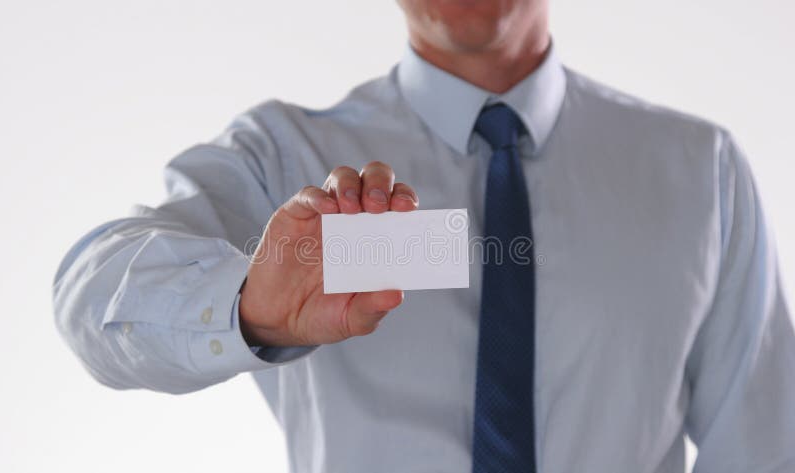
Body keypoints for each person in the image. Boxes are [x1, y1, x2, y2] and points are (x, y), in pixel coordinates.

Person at [53, 0, 795, 471]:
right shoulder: (280, 157)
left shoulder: (703, 171)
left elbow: (765, 445)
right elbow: (93, 295)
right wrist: (247, 302)